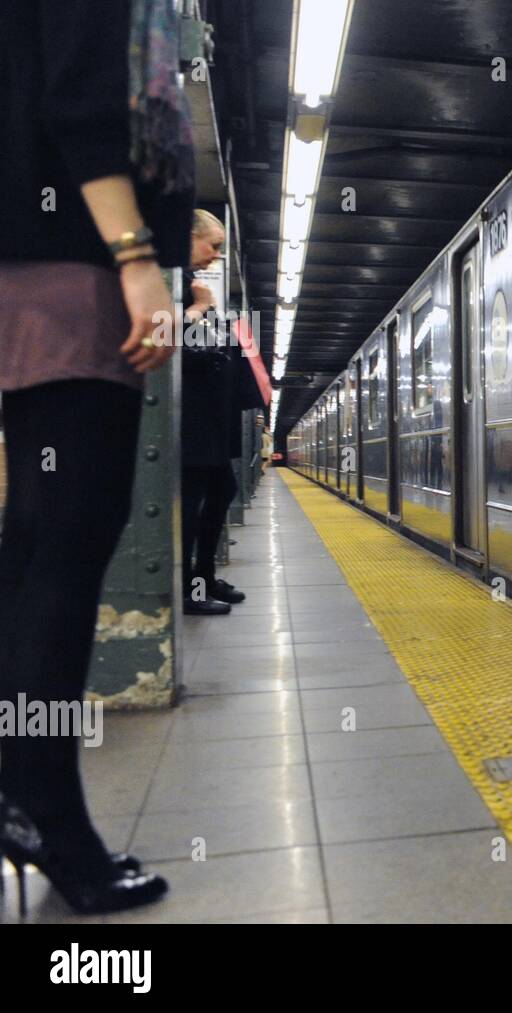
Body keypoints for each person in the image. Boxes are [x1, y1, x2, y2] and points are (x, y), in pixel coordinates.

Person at [0, 0, 192, 913]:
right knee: (70, 537)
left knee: (35, 536)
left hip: (29, 262)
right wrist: (134, 253)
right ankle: (42, 808)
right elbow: (78, 96)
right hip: (66, 270)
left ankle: (24, 790)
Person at [180, 209, 245, 614]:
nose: (216, 255)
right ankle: (190, 588)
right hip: (188, 420)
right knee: (190, 502)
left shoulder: (188, 283)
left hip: (206, 417)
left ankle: (201, 579)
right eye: (213, 245)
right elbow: (168, 343)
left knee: (222, 490)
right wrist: (199, 308)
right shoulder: (171, 283)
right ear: (187, 236)